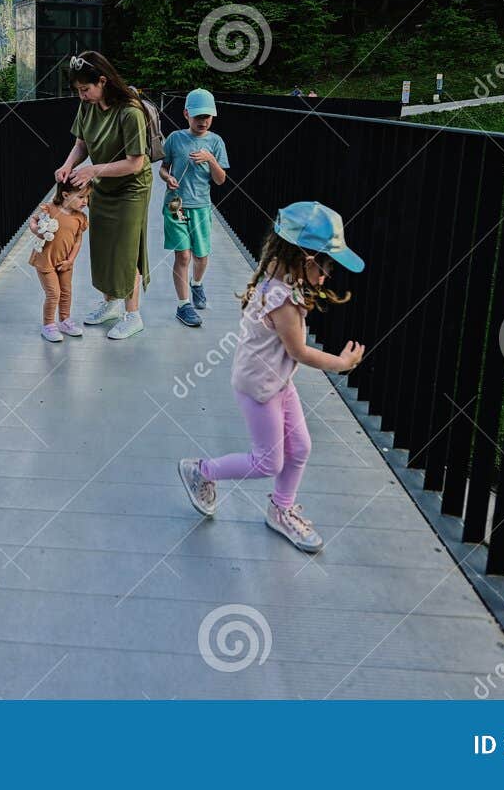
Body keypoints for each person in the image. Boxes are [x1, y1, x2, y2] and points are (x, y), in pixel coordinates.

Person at [176, 201, 366, 553]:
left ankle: (281, 508)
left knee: (302, 448)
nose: (327, 276)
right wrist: (341, 363)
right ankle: (201, 471)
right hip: (258, 387)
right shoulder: (282, 301)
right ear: (306, 259)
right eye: (326, 266)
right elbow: (300, 352)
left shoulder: (281, 279)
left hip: (277, 381)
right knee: (268, 460)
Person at [54, 51, 152, 340]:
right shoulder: (88, 106)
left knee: (125, 249)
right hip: (104, 186)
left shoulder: (130, 112)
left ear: (103, 81)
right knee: (104, 246)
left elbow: (135, 162)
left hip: (131, 188)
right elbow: (81, 144)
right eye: (78, 91)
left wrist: (93, 170)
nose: (82, 96)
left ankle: (132, 314)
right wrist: (68, 164)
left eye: (86, 90)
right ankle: (110, 304)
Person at [159, 88, 229, 328]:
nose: (203, 121)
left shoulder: (216, 142)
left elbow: (220, 180)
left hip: (201, 206)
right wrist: (167, 178)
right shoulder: (175, 139)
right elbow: (163, 168)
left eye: (208, 116)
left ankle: (197, 284)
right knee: (184, 255)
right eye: (198, 116)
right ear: (186, 114)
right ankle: (183, 305)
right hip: (175, 204)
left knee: (201, 255)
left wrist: (210, 159)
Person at [27, 178, 89, 342]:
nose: (85, 202)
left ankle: (64, 320)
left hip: (65, 262)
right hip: (45, 260)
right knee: (54, 293)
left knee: (66, 292)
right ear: (66, 195)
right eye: (81, 197)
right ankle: (48, 325)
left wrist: (71, 260)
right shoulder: (50, 209)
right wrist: (36, 230)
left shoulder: (80, 217)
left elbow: (77, 240)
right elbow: (33, 220)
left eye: (87, 197)